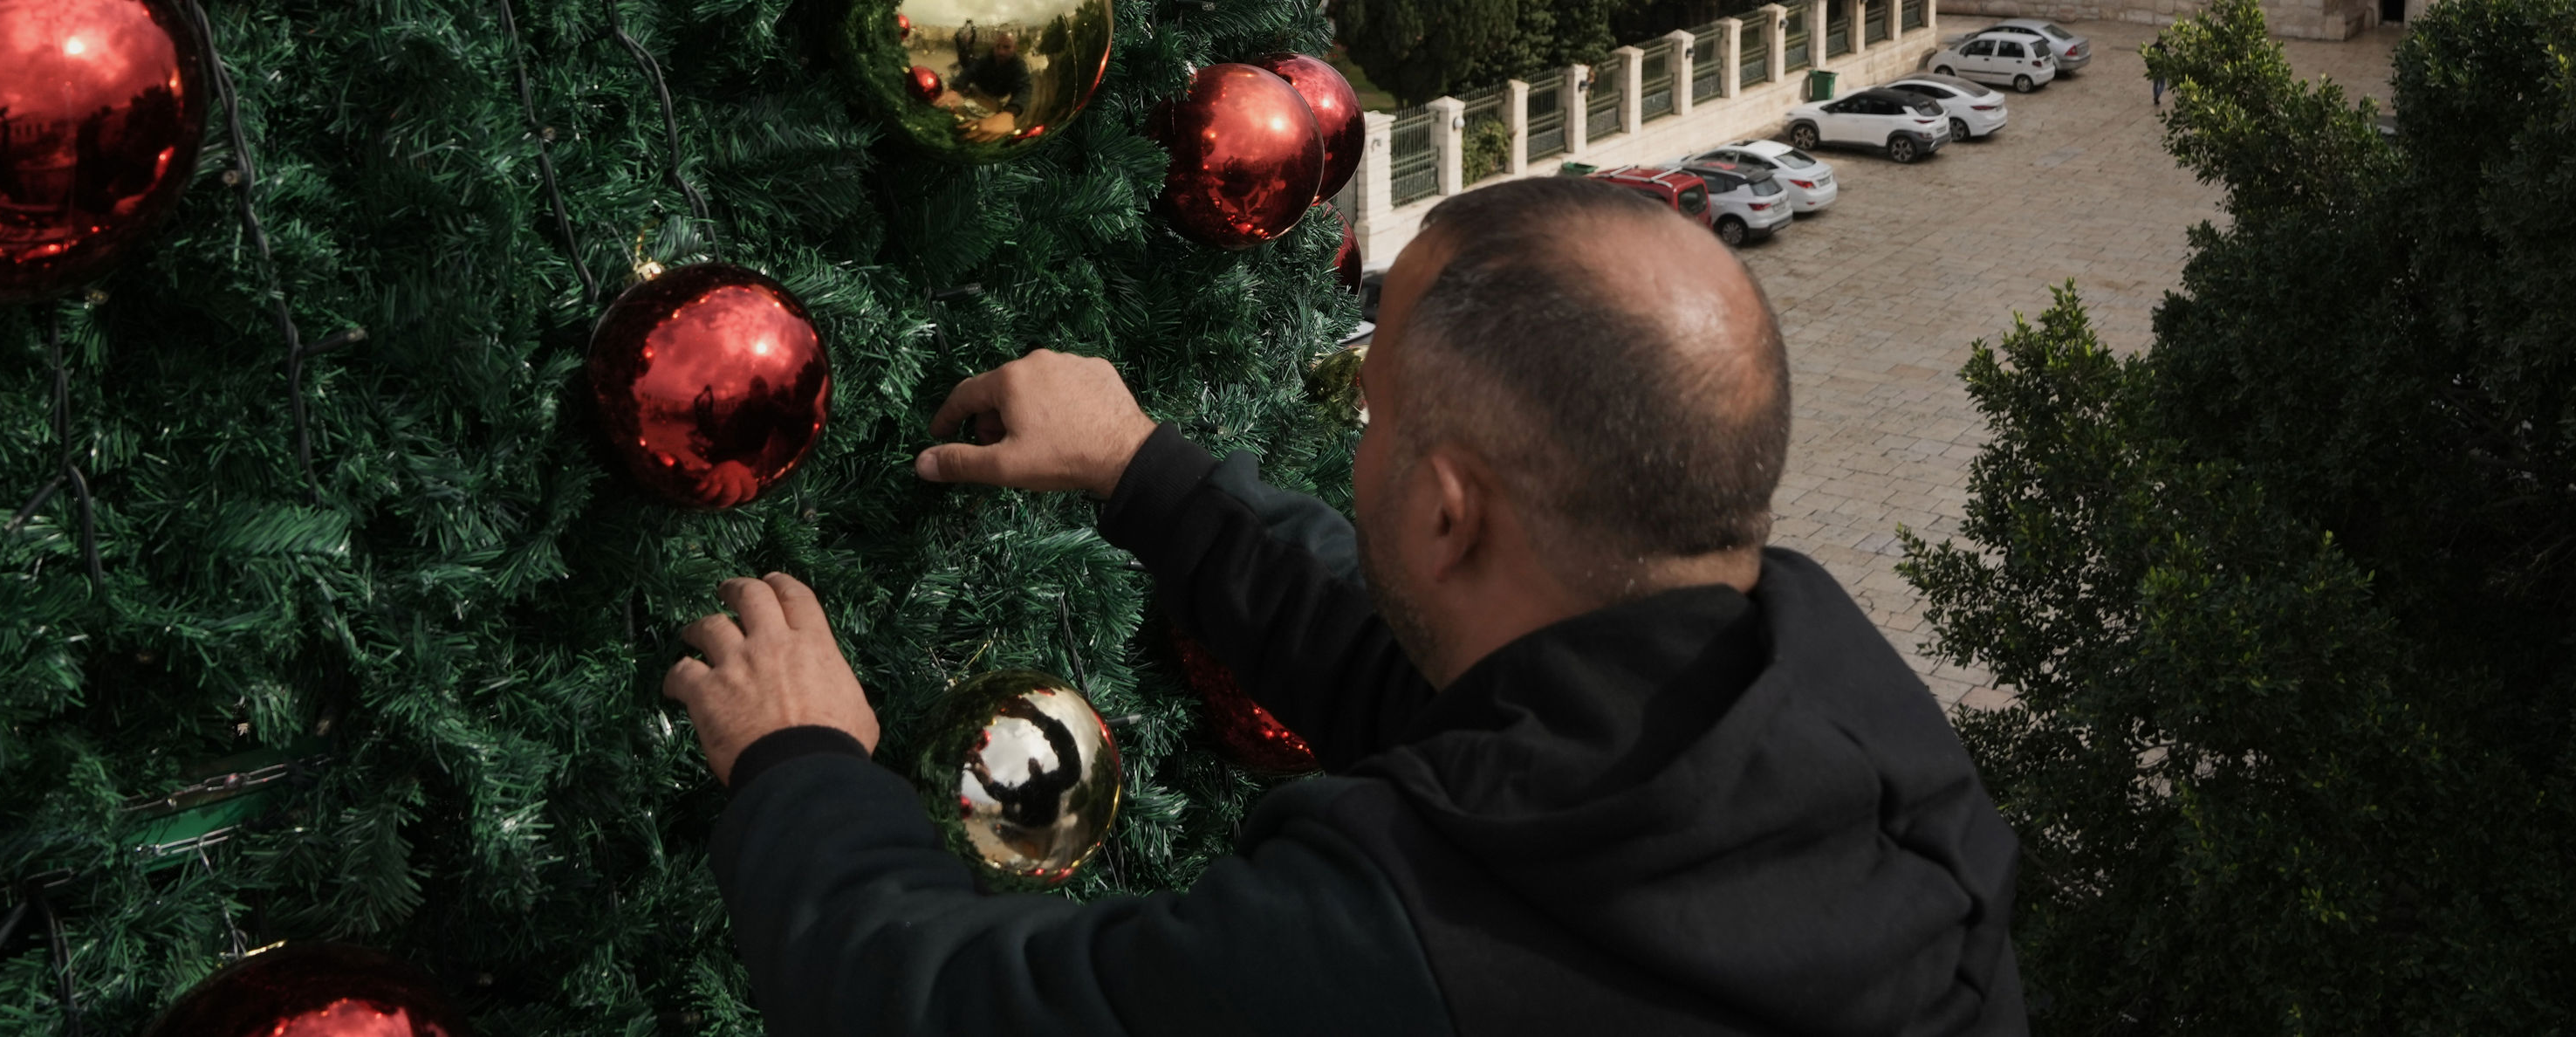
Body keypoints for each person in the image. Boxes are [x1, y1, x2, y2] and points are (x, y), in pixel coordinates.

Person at [664, 173, 2029, 1035]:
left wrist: (797, 766)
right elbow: (1439, 696)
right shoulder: (1846, 720)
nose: (1355, 446)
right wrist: (1147, 475)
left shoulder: (1411, 943)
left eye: (1373, 421)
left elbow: (948, 1007)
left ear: (1445, 509)